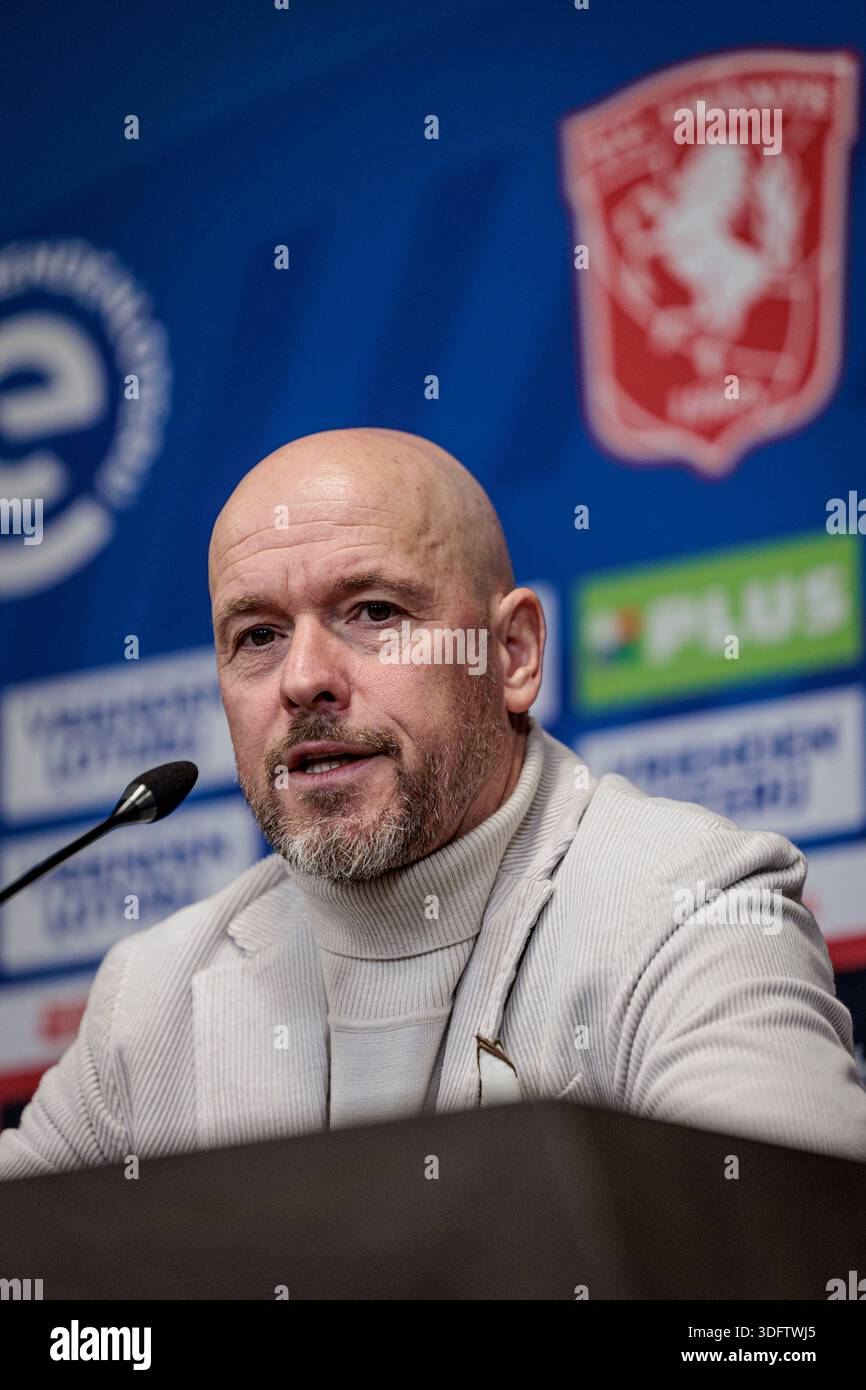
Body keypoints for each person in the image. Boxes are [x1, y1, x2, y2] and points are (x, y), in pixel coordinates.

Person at [1, 426, 864, 1180]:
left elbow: (782, 1289)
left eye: (373, 612)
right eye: (258, 636)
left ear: (514, 654)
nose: (304, 681)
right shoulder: (150, 999)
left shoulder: (694, 913)